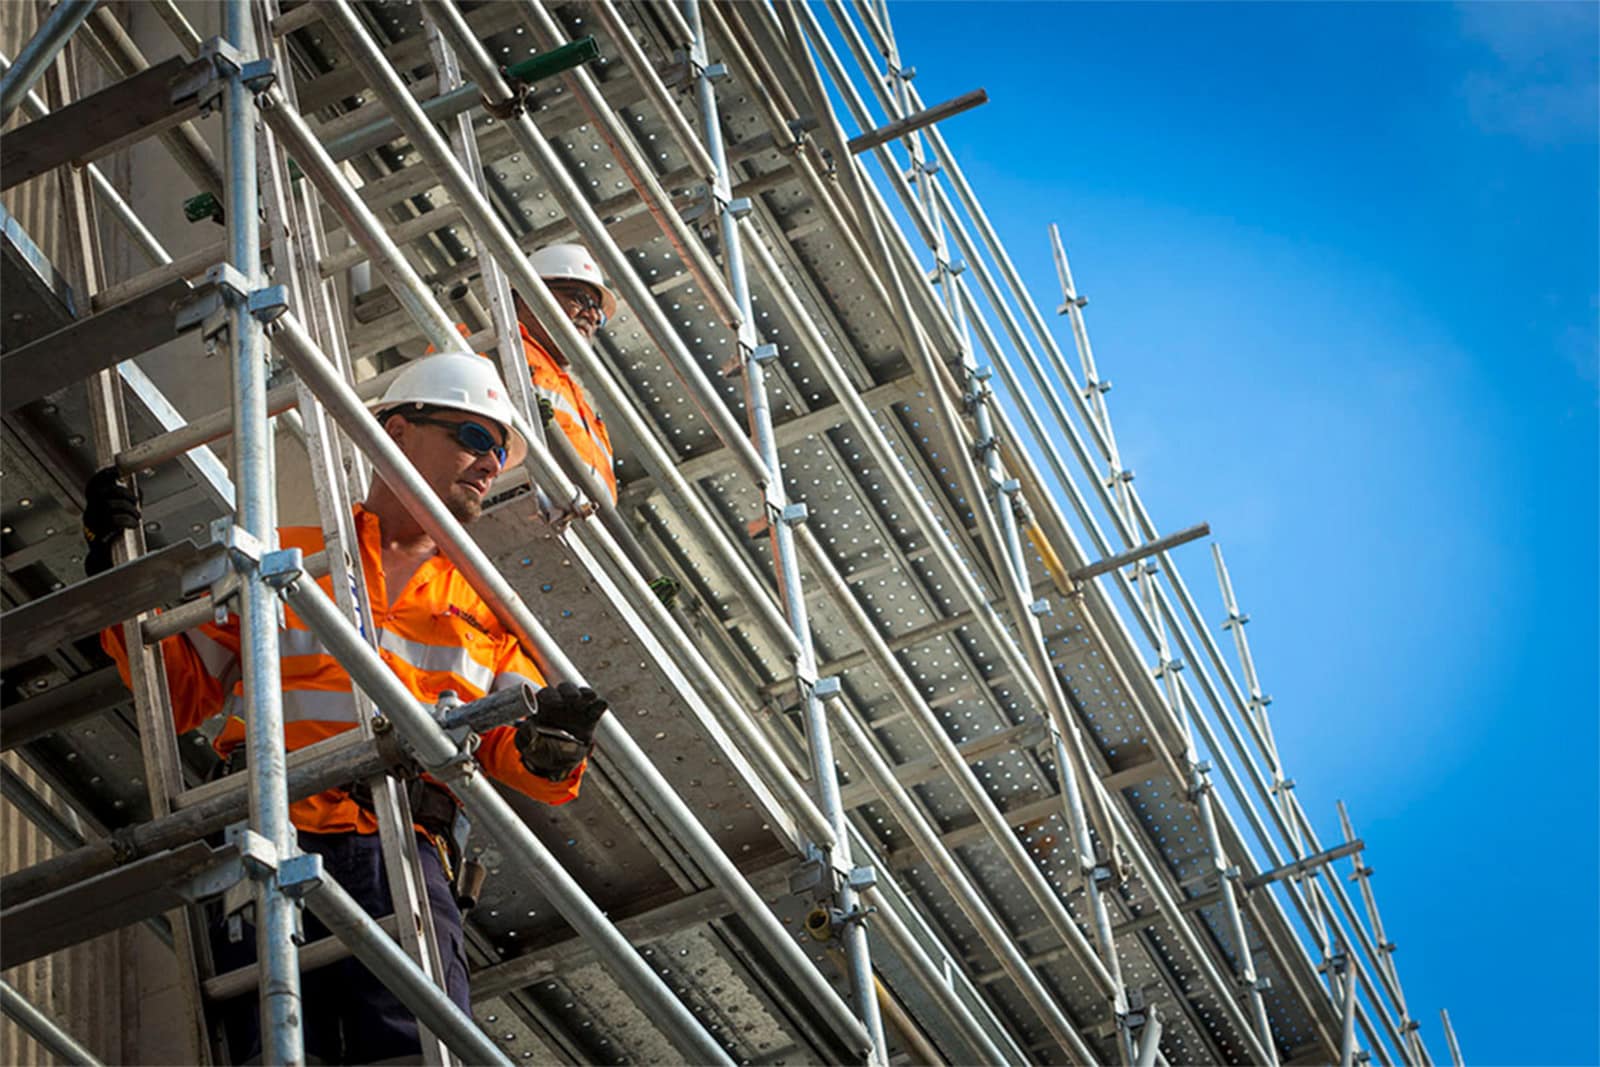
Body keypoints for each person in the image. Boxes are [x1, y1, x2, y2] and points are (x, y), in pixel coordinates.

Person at [85, 352, 610, 1063]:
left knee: (415, 1054)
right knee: (268, 1050)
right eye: (474, 437)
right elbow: (176, 691)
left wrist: (556, 746)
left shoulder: (489, 610)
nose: (491, 463)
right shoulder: (285, 563)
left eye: (499, 450)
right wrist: (116, 582)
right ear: (397, 430)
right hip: (269, 828)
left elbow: (521, 757)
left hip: (402, 849)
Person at [513, 243, 619, 503]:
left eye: (598, 312)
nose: (592, 316)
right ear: (527, 295)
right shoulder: (493, 341)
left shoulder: (574, 395)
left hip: (582, 519)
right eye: (580, 299)